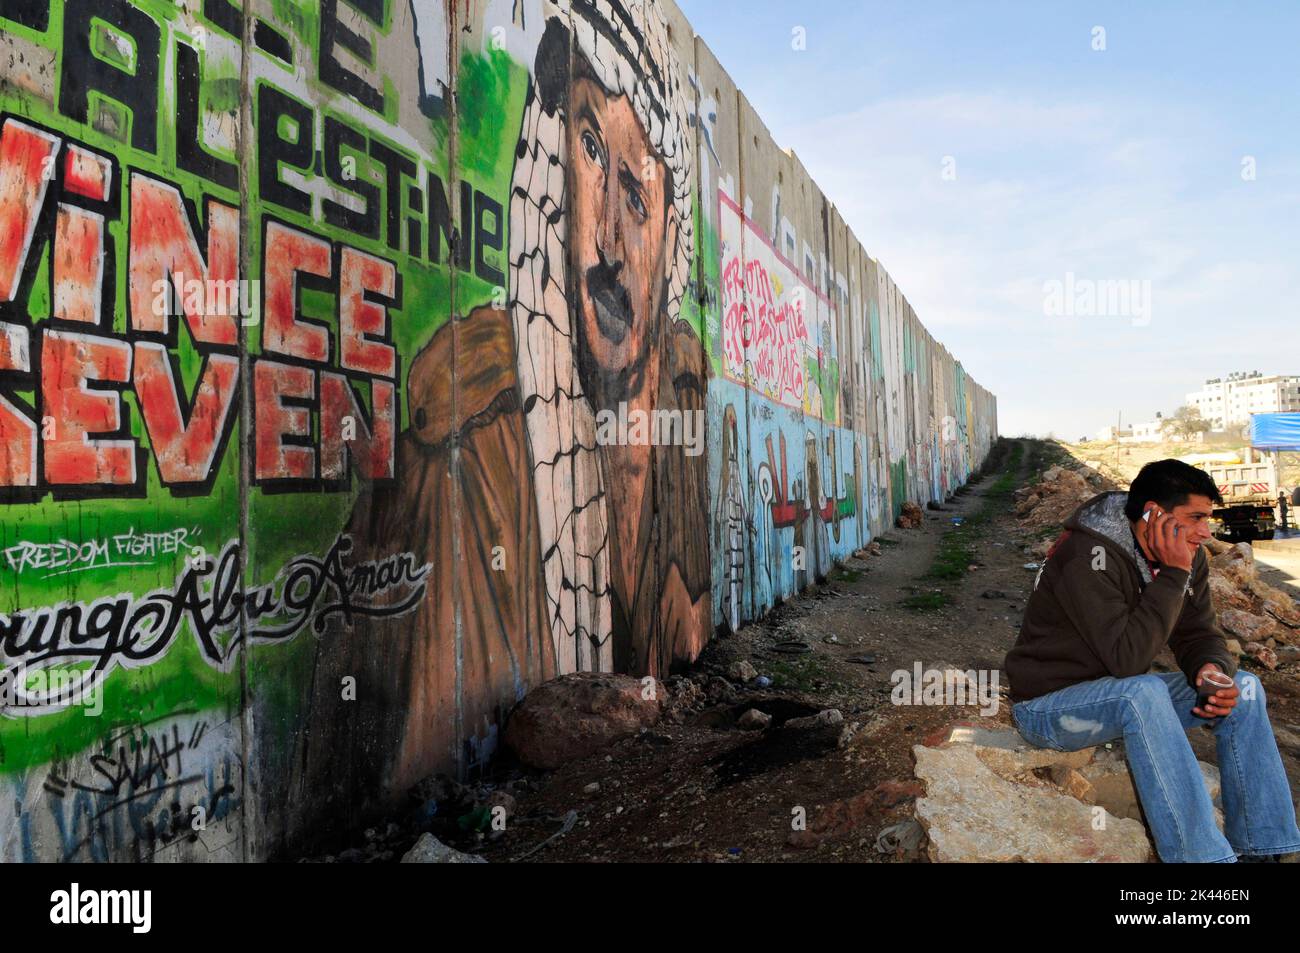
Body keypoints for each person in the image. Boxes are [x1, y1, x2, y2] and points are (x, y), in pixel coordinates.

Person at [286, 0, 709, 843]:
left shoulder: (682, 417)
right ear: (549, 165)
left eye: (640, 193)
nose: (610, 244)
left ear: (672, 244)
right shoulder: (459, 449)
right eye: (590, 152)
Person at [1004, 459, 1300, 862]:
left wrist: (1210, 671)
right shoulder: (1088, 555)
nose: (1204, 532)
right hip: (1050, 707)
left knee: (1244, 687)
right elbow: (1127, 660)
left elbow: (1197, 634)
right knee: (1141, 692)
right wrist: (1174, 575)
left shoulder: (1186, 555)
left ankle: (1262, 847)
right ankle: (1200, 858)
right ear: (1153, 514)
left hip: (1118, 699)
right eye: (1195, 518)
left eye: (1207, 518)